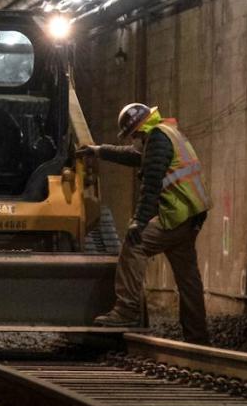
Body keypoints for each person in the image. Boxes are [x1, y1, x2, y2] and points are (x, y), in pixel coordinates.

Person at [78, 103, 210, 344]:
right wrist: (99, 151)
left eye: (134, 135)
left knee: (134, 245)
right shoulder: (166, 133)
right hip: (191, 214)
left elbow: (151, 184)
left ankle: (126, 310)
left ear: (139, 129)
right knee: (188, 277)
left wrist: (138, 222)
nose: (135, 140)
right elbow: (137, 157)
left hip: (176, 213)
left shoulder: (158, 138)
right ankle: (198, 338)